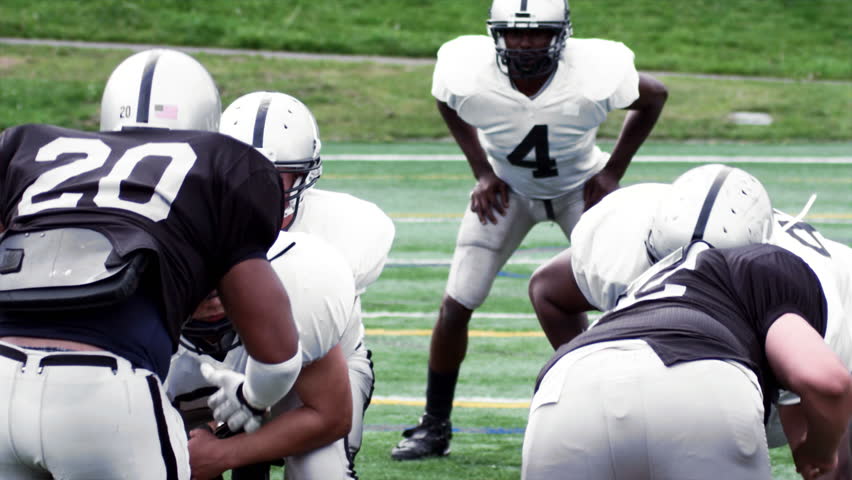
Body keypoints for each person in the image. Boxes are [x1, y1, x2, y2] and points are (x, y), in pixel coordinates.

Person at [0, 48, 301, 479]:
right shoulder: (221, 168)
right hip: (104, 393)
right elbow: (277, 358)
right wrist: (252, 398)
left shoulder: (27, 148)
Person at [391, 0, 668, 460]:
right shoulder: (469, 71)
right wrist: (482, 170)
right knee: (456, 303)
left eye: (536, 33)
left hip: (580, 189)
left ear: (561, 36)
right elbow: (446, 99)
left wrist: (613, 170)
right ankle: (434, 423)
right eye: (513, 33)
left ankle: (629, 414)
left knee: (633, 298)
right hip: (508, 191)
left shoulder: (592, 73)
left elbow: (653, 95)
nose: (522, 42)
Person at [529, 163, 852, 479]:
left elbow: (546, 290)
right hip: (708, 380)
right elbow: (825, 386)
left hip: (571, 377)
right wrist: (820, 455)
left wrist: (603, 365)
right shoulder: (779, 271)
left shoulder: (619, 241)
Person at [217, 90, 394, 472]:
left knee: (320, 472)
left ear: (305, 175)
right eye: (245, 178)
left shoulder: (350, 228)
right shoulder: (191, 214)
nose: (259, 194)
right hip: (215, 365)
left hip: (319, 369)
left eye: (275, 179)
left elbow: (309, 338)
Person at [167, 230, 358, 480]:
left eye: (217, 281)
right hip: (178, 408)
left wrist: (225, 453)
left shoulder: (298, 285)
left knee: (321, 473)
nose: (211, 300)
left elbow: (330, 416)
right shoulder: (128, 317)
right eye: (198, 282)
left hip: (295, 394)